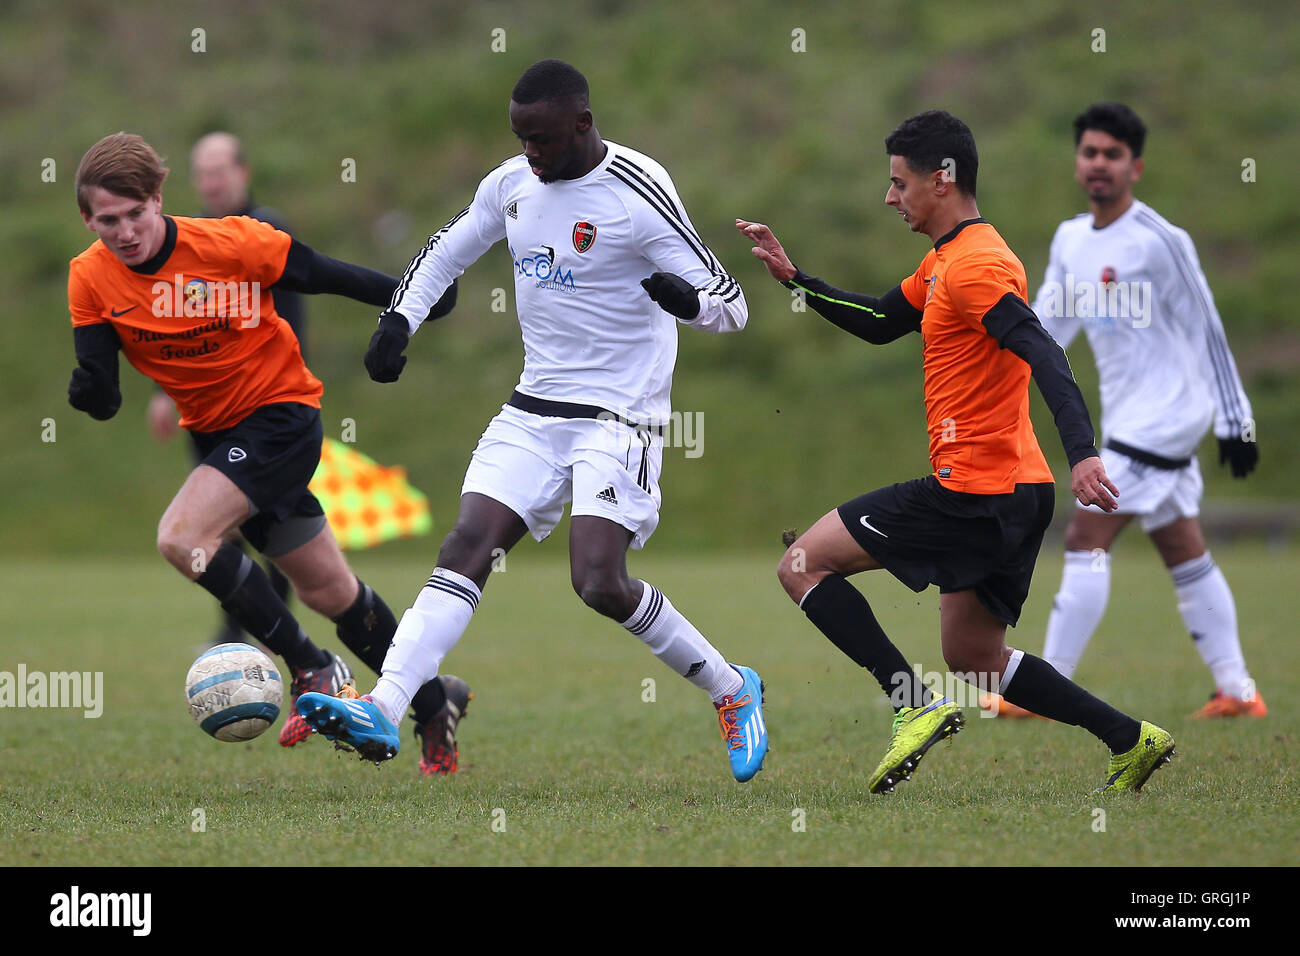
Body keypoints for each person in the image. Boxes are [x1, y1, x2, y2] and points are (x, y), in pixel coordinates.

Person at [296, 59, 769, 783]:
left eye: (542, 139)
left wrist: (686, 301)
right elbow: (445, 250)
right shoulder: (512, 185)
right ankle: (384, 708)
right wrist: (399, 320)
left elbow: (731, 305)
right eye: (520, 138)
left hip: (619, 417)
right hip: (535, 407)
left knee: (600, 582)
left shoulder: (640, 191)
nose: (531, 154)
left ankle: (732, 689)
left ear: (582, 123)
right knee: (466, 544)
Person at [740, 110, 1173, 794]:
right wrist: (797, 279)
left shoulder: (974, 268)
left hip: (975, 490)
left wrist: (1085, 453)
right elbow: (884, 321)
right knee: (973, 656)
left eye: (898, 183)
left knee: (801, 563)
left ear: (941, 180)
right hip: (1017, 489)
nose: (890, 197)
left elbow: (1045, 354)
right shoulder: (948, 260)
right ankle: (1130, 738)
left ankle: (911, 702)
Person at [66, 132, 470, 773]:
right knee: (330, 590)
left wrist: (413, 298)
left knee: (182, 537)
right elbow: (103, 393)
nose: (124, 232)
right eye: (107, 220)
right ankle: (433, 703)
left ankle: (310, 665)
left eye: (135, 214)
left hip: (280, 418)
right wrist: (90, 390)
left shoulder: (230, 242)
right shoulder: (89, 277)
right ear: (88, 219)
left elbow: (325, 273)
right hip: (217, 438)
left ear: (159, 201)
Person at [987, 102, 1262, 720]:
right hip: (1131, 420)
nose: (1099, 165)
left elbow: (1208, 329)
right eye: (1090, 153)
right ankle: (1239, 691)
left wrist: (1235, 419)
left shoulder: (1163, 241)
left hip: (1168, 417)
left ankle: (1043, 691)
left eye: (1113, 155)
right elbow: (1050, 325)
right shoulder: (1070, 239)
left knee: (1086, 531)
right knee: (1182, 547)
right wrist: (993, 359)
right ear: (1077, 161)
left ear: (1135, 167)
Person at [146, 131, 305, 648]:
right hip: (207, 410)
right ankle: (241, 629)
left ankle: (258, 629)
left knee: (273, 527)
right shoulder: (186, 241)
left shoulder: (268, 230)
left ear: (243, 172)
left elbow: (291, 316)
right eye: (204, 173)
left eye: (221, 170)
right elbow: (174, 327)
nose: (213, 182)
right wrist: (162, 391)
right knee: (219, 530)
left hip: (265, 404)